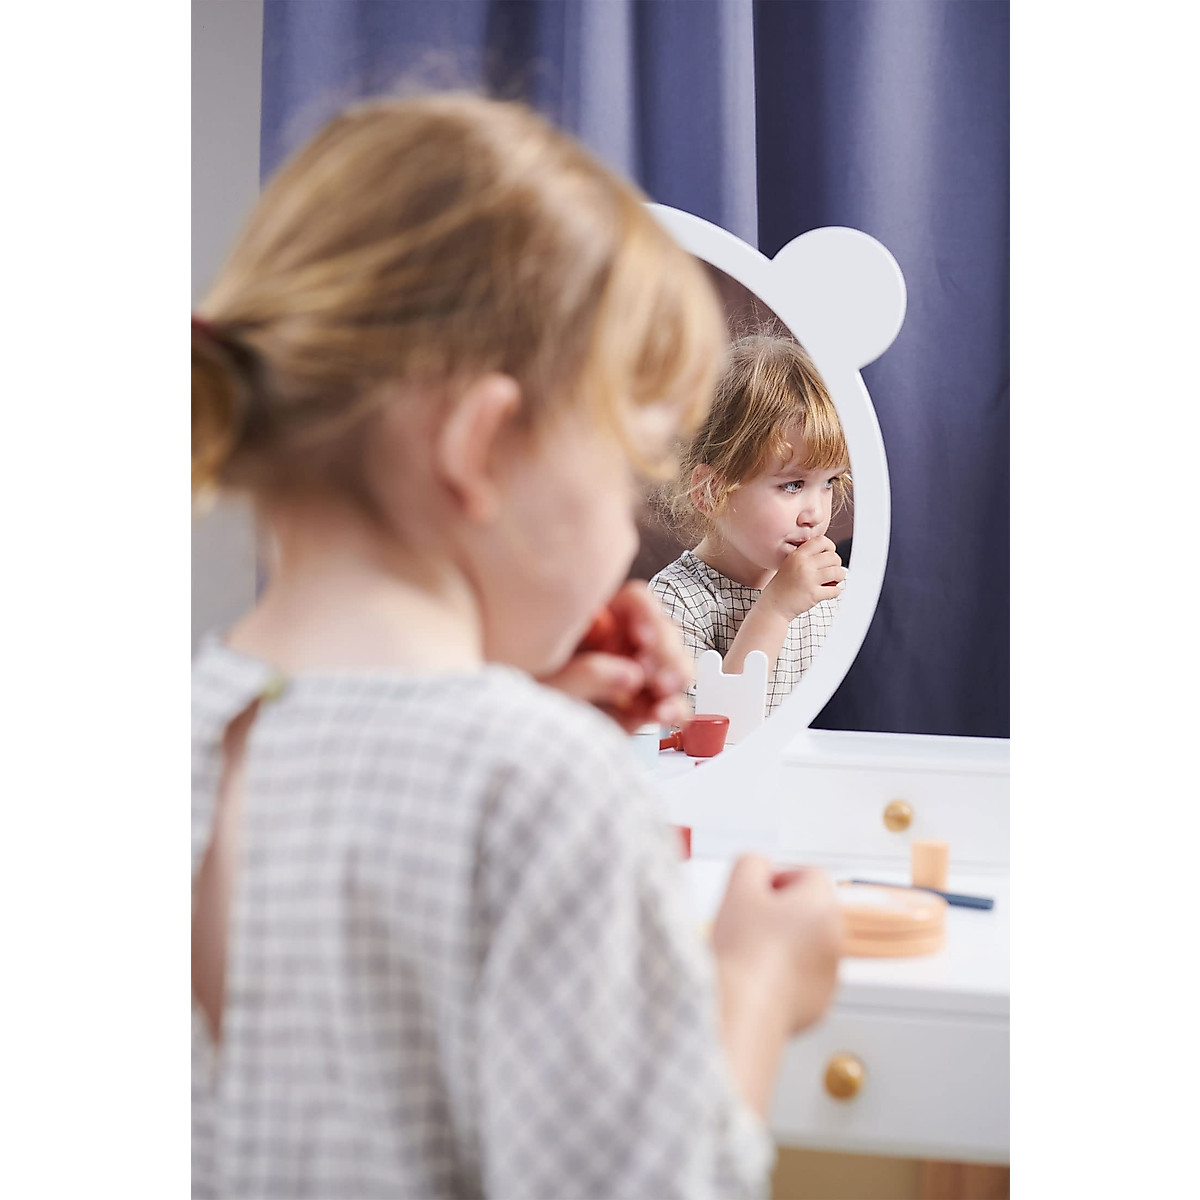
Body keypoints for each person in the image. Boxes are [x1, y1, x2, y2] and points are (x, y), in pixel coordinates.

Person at [191, 94, 841, 1200]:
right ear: (482, 447)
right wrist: (757, 987)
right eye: (627, 460)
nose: (621, 526)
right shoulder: (544, 786)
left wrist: (526, 691)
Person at [649, 335, 851, 715]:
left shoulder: (829, 593)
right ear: (711, 491)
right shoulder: (675, 603)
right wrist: (774, 610)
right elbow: (706, 732)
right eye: (793, 485)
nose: (816, 513)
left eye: (829, 483)